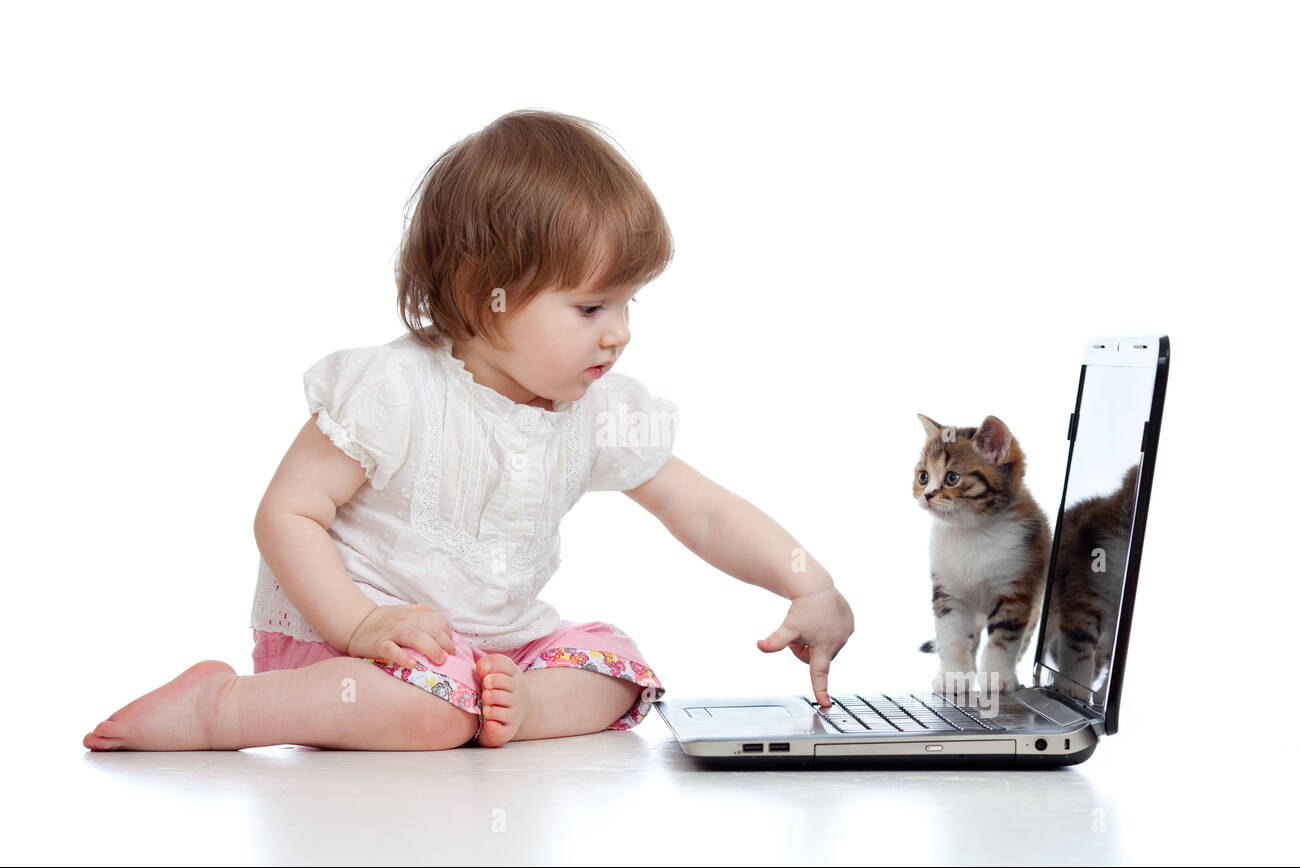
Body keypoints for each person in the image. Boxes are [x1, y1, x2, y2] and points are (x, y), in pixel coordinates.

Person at [82, 109, 855, 753]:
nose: (617, 334)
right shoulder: (395, 391)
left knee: (619, 670)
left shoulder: (599, 408)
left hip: (495, 652)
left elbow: (702, 508)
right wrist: (359, 624)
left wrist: (807, 583)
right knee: (426, 710)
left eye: (629, 305)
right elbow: (286, 513)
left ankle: (522, 713)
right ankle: (220, 707)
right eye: (591, 308)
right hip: (354, 650)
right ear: (487, 298)